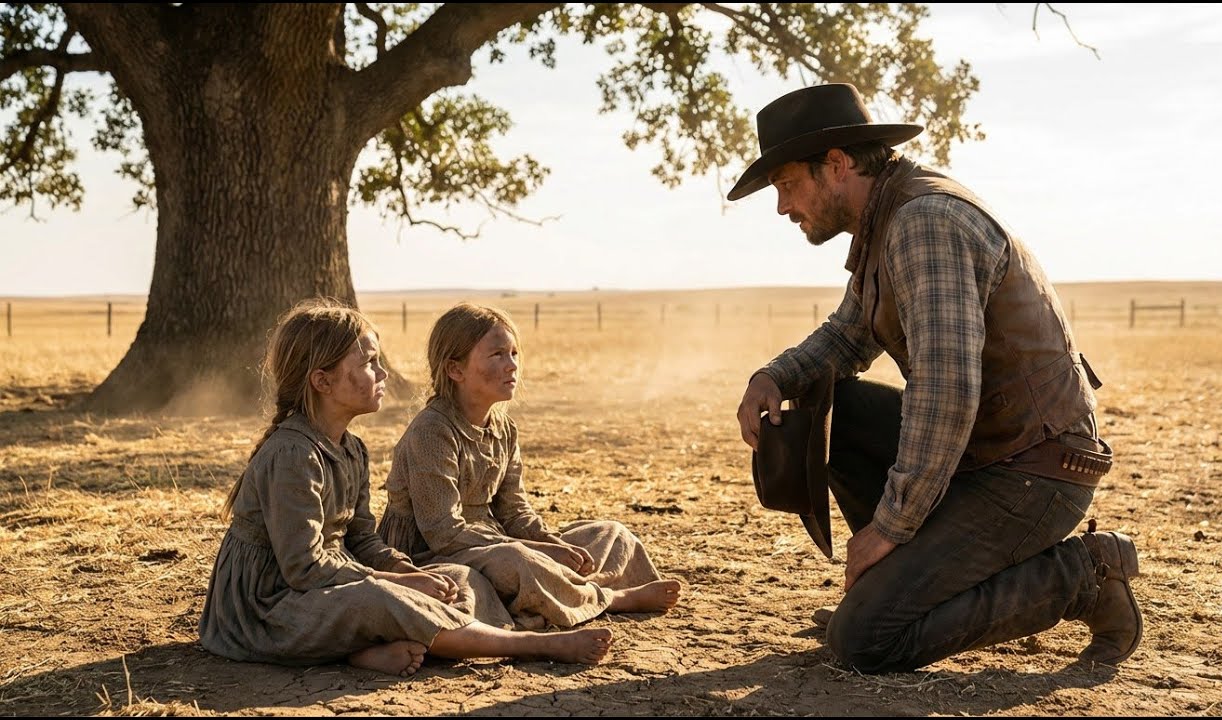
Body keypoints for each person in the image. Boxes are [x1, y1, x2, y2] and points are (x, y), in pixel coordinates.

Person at [731, 83, 1142, 672]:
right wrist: (772, 377)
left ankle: (1085, 575)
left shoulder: (925, 223)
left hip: (1031, 471)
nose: (782, 207)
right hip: (985, 456)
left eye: (788, 185)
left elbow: (947, 394)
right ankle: (899, 591)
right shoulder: (887, 221)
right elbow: (848, 335)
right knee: (837, 409)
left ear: (838, 166)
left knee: (866, 642)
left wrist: (890, 527)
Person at [198, 299, 612, 677]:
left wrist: (405, 570)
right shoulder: (293, 454)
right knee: (380, 600)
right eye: (369, 364)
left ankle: (362, 651)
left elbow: (361, 538)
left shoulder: (352, 449)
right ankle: (535, 645)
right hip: (268, 607)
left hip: (327, 587)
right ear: (322, 381)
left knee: (455, 577)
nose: (382, 374)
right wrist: (393, 583)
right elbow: (303, 568)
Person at [377, 303, 681, 629]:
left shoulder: (504, 429)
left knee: (612, 535)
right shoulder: (432, 431)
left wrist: (554, 544)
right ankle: (610, 598)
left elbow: (515, 512)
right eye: (497, 355)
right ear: (455, 369)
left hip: (494, 542)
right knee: (516, 563)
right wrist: (533, 550)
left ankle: (564, 593)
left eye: (514, 354)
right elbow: (442, 533)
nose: (511, 366)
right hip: (433, 556)